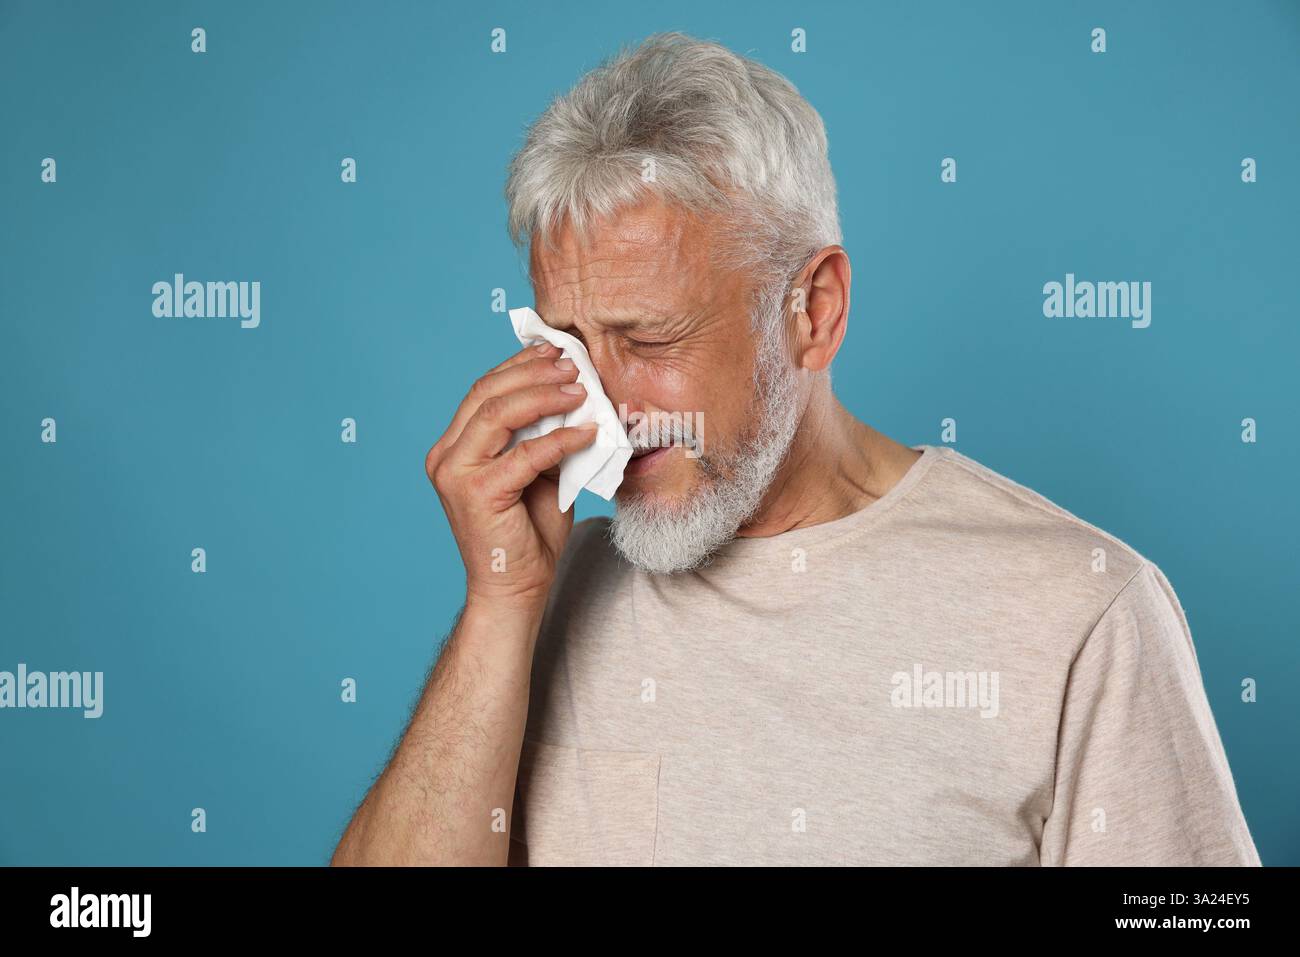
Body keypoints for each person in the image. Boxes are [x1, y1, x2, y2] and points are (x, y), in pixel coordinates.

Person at [331, 32, 1259, 866]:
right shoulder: (545, 588)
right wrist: (501, 601)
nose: (600, 409)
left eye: (649, 342)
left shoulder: (1083, 611)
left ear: (812, 311)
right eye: (567, 347)